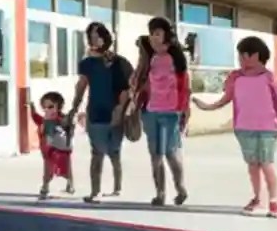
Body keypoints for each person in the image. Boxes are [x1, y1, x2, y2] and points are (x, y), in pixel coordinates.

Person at [192, 36, 277, 218]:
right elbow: (225, 99)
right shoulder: (235, 77)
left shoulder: (269, 77)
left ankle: (274, 201)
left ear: (255, 55)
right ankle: (257, 198)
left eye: (243, 56)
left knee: (266, 163)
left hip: (267, 129)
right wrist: (206, 106)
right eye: (239, 57)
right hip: (244, 128)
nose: (240, 60)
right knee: (253, 165)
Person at [67, 21, 133, 203]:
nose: (95, 38)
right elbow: (81, 86)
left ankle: (117, 186)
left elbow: (127, 89)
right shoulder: (87, 63)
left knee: (114, 152)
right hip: (95, 113)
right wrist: (73, 109)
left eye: (98, 34)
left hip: (115, 114)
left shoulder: (119, 62)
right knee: (97, 153)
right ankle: (95, 191)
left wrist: (120, 110)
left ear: (106, 37)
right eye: (91, 34)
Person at [131, 17, 191, 207]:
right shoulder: (150, 58)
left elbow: (186, 86)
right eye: (152, 33)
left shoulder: (176, 56)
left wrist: (185, 111)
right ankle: (160, 193)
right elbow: (138, 82)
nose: (154, 37)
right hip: (150, 111)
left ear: (166, 35)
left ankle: (180, 188)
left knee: (171, 153)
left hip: (171, 111)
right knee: (155, 155)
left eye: (157, 33)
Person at [29, 91, 75, 200]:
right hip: (47, 149)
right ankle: (46, 186)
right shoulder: (45, 120)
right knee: (48, 169)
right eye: (44, 107)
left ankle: (69, 184)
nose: (47, 110)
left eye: (50, 107)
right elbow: (36, 118)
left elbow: (69, 128)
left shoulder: (61, 119)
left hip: (60, 149)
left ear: (58, 106)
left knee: (66, 168)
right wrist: (32, 109)